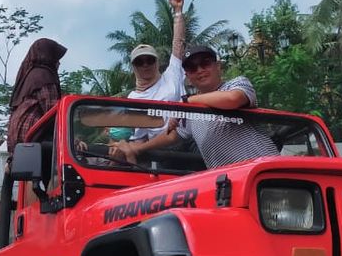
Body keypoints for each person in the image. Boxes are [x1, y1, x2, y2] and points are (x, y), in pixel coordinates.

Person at [110, 43, 278, 169]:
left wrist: (187, 103)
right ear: (188, 76)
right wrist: (137, 148)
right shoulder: (190, 112)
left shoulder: (236, 84)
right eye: (192, 67)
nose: (199, 70)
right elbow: (172, 136)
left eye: (205, 63)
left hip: (264, 170)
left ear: (218, 66)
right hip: (228, 182)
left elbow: (233, 99)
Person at [127, 0, 190, 142]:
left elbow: (178, 43)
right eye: (140, 62)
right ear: (134, 67)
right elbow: (140, 136)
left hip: (188, 141)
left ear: (156, 62)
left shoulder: (172, 74)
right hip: (160, 153)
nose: (145, 64)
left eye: (150, 60)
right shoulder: (132, 98)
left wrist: (177, 11)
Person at [6, 38, 66, 152]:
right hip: (35, 141)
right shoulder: (44, 76)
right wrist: (75, 140)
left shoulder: (28, 77)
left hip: (19, 146)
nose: (58, 63)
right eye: (56, 58)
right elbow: (54, 114)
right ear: (48, 57)